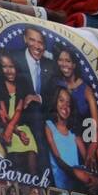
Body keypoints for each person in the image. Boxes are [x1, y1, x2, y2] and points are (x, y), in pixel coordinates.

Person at [51, 46, 98, 179]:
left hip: (91, 133)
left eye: (67, 61)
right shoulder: (57, 84)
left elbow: (95, 124)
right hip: (73, 134)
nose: (64, 64)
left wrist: (92, 149)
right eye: (61, 60)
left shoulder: (86, 89)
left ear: (73, 65)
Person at [44, 86, 98, 195]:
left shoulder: (73, 132)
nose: (65, 106)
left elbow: (86, 158)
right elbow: (58, 159)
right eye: (61, 100)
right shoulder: (49, 126)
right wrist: (76, 173)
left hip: (79, 177)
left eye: (69, 103)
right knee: (85, 176)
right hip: (65, 177)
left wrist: (93, 177)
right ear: (55, 102)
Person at [16, 27, 58, 174]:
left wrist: (38, 98)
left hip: (45, 112)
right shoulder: (14, 59)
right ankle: (44, 174)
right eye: (32, 40)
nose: (37, 46)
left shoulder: (50, 65)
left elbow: (55, 94)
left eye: (40, 42)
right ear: (25, 40)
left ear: (44, 46)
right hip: (20, 112)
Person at [0, 52, 40, 176]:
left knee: (32, 162)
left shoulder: (22, 83)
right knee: (16, 165)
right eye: (5, 67)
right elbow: (2, 115)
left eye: (11, 66)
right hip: (5, 126)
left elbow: (18, 110)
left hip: (20, 126)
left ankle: (34, 191)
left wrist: (19, 131)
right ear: (0, 68)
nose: (9, 71)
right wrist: (14, 131)